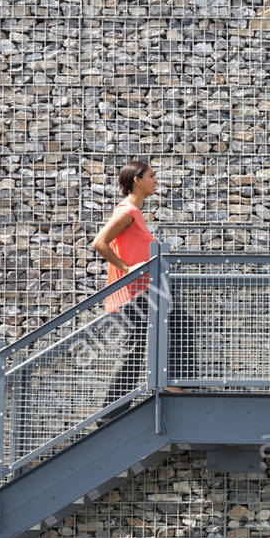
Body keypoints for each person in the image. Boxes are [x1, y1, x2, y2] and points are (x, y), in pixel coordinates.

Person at [92, 160, 189, 416]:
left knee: (137, 351)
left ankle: (113, 413)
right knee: (179, 323)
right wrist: (126, 269)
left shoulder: (135, 213)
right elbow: (100, 243)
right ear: (137, 180)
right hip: (132, 295)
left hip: (141, 294)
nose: (155, 181)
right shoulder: (127, 212)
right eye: (152, 176)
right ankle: (172, 384)